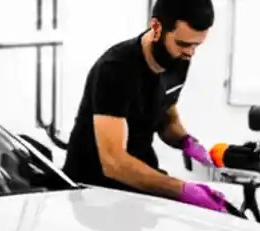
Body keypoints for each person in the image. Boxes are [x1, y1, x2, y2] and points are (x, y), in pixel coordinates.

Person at [62, 0, 227, 213]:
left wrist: (187, 142)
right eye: (183, 44)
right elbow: (113, 163)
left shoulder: (178, 61)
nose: (190, 53)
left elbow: (167, 116)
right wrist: (182, 190)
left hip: (138, 182)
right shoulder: (115, 69)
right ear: (156, 28)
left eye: (197, 45)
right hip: (94, 192)